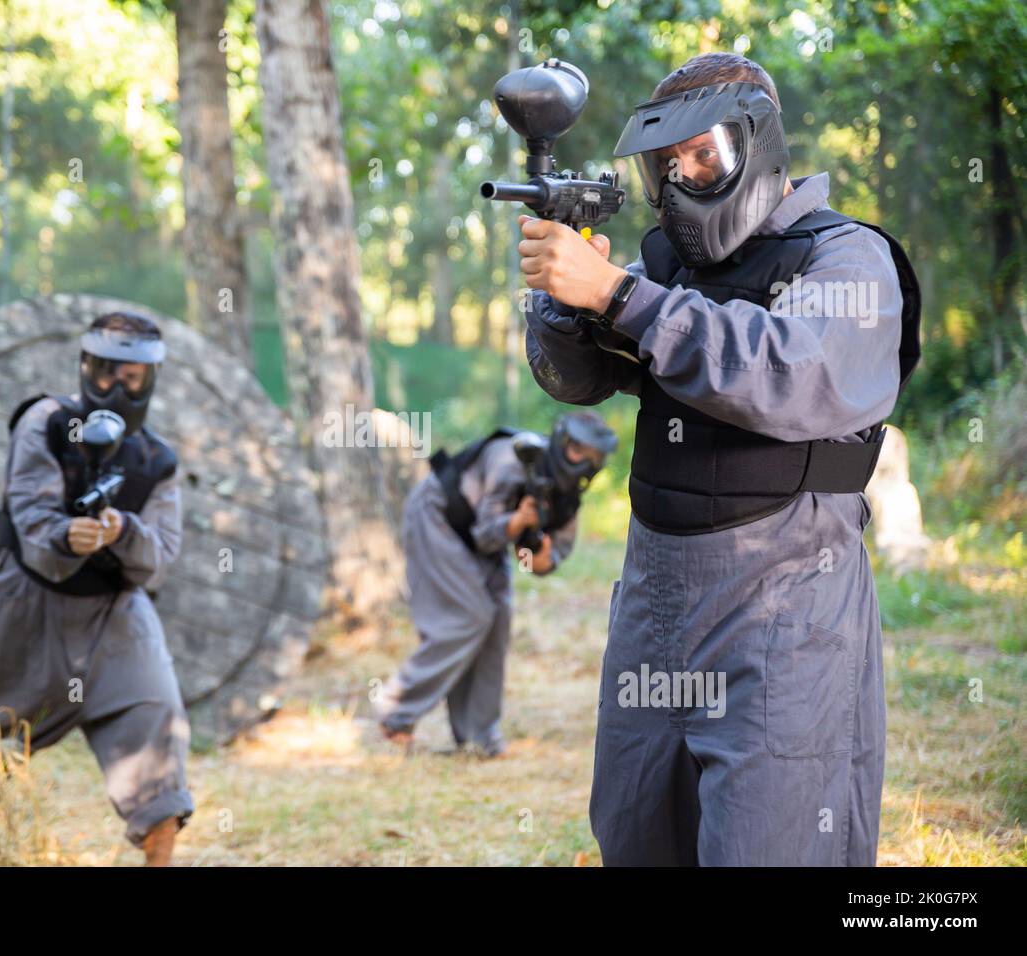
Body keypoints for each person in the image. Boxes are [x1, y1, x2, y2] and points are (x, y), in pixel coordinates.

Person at [520, 53, 921, 865]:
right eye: (666, 164)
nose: (683, 177)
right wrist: (563, 310)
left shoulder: (845, 261)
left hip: (785, 602)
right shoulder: (668, 270)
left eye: (702, 153)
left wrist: (619, 297)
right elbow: (583, 380)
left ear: (759, 142)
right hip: (655, 599)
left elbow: (788, 373)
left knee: (768, 840)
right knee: (637, 830)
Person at [0, 311, 192, 867]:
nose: (116, 387)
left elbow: (159, 556)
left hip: (115, 615)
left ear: (150, 379)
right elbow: (30, 514)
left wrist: (121, 531)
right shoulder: (44, 420)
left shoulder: (156, 460)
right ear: (86, 365)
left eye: (132, 376)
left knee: (158, 725)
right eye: (106, 371)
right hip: (29, 608)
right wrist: (68, 534)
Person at [375, 413, 618, 757]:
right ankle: (395, 712)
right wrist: (518, 520)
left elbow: (550, 555)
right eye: (579, 450)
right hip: (440, 517)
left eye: (594, 456)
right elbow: (486, 532)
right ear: (562, 441)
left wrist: (541, 559)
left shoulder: (567, 495)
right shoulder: (513, 459)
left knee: (498, 619)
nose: (585, 462)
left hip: (480, 540)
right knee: (468, 616)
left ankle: (478, 738)